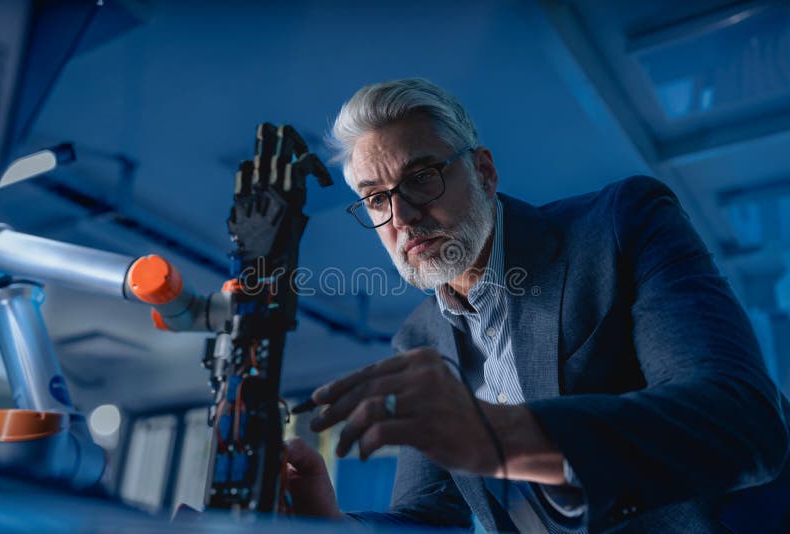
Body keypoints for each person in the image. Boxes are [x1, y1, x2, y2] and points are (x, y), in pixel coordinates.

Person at [284, 78, 790, 533]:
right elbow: (431, 519)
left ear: (483, 172)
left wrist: (504, 436)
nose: (403, 216)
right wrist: (332, 526)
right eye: (376, 198)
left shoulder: (620, 226)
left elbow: (743, 424)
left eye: (422, 177)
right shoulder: (419, 338)